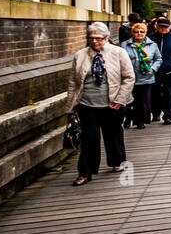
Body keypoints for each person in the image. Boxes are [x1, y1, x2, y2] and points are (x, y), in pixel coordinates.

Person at [67, 22, 134, 186]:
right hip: (87, 104)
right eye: (91, 38)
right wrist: (70, 107)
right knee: (89, 139)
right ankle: (86, 172)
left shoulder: (119, 53)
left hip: (112, 103)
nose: (95, 41)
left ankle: (117, 161)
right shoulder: (80, 55)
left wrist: (120, 100)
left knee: (113, 134)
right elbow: (73, 82)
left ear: (106, 38)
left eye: (98, 38)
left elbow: (129, 78)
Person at [122, 21, 162, 129]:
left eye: (142, 32)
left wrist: (153, 69)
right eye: (136, 32)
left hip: (147, 77)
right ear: (132, 33)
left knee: (144, 102)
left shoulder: (152, 45)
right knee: (130, 101)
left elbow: (158, 59)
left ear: (145, 33)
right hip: (131, 78)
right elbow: (121, 60)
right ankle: (129, 118)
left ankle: (140, 120)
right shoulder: (125, 45)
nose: (139, 34)